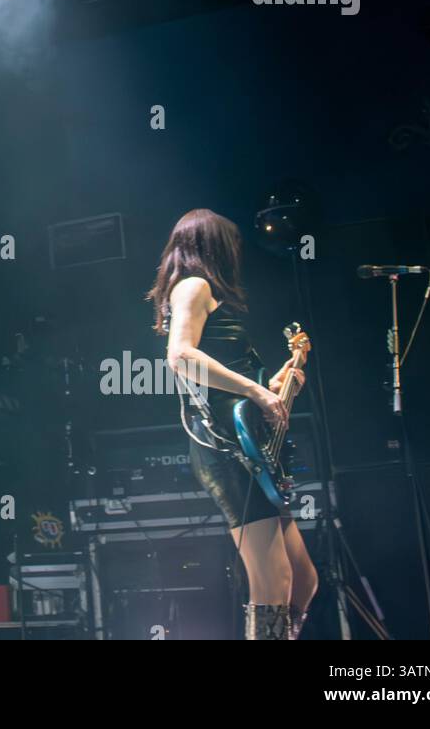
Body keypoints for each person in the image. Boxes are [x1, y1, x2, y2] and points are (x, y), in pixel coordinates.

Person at [147, 209, 317, 639]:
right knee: (273, 581)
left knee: (302, 579)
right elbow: (181, 355)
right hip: (225, 447)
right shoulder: (194, 285)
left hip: (246, 446)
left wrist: (275, 383)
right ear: (213, 246)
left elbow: (231, 376)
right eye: (232, 245)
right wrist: (258, 392)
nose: (237, 254)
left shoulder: (203, 292)